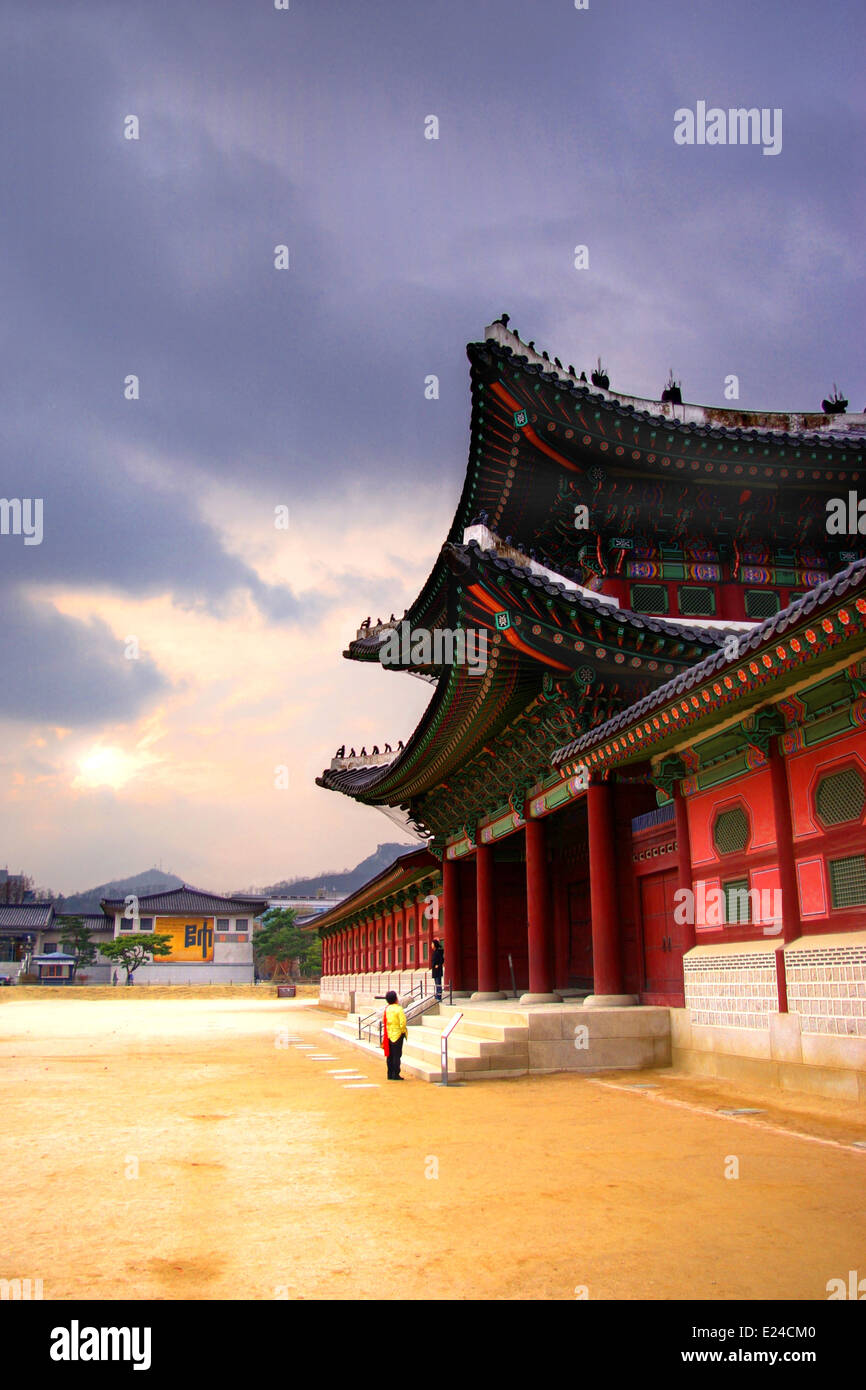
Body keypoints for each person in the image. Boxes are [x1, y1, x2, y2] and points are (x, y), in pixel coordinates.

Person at [383, 990, 408, 1080]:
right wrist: (402, 1030)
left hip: (389, 1033)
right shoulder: (399, 1009)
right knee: (397, 1055)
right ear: (396, 999)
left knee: (390, 1055)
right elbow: (403, 1022)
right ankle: (395, 1074)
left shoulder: (387, 1009)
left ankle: (390, 1073)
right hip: (397, 1034)